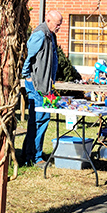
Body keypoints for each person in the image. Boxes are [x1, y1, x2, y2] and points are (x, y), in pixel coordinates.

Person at [21, 9, 62, 167]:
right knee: (40, 120)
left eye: (60, 25)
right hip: (37, 84)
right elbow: (29, 57)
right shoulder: (40, 34)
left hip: (46, 85)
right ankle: (35, 157)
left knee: (40, 120)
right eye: (57, 24)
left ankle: (29, 154)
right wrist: (27, 76)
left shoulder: (51, 35)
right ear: (48, 20)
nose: (59, 28)